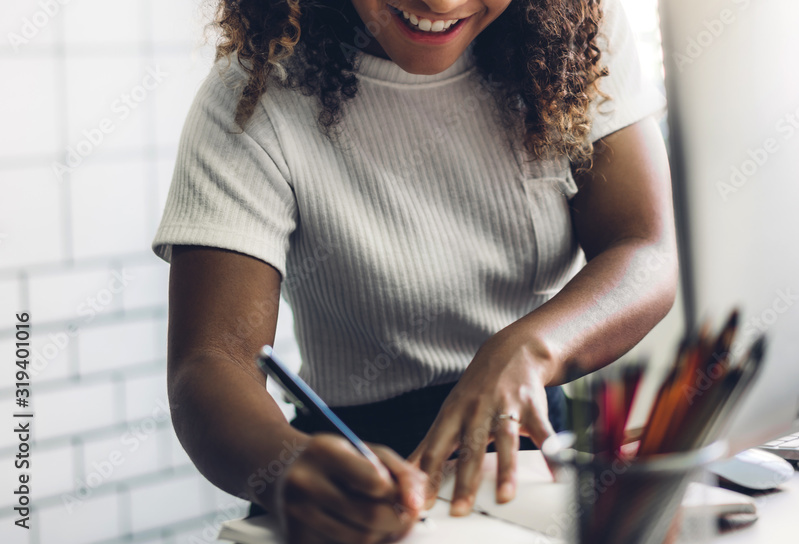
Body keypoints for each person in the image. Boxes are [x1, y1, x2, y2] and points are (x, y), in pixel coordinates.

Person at [153, 0, 675, 542]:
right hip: (353, 471)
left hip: (535, 470)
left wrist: (532, 348)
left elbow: (644, 248)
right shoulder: (254, 93)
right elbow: (210, 363)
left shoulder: (576, 36)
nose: (442, 3)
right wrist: (288, 468)